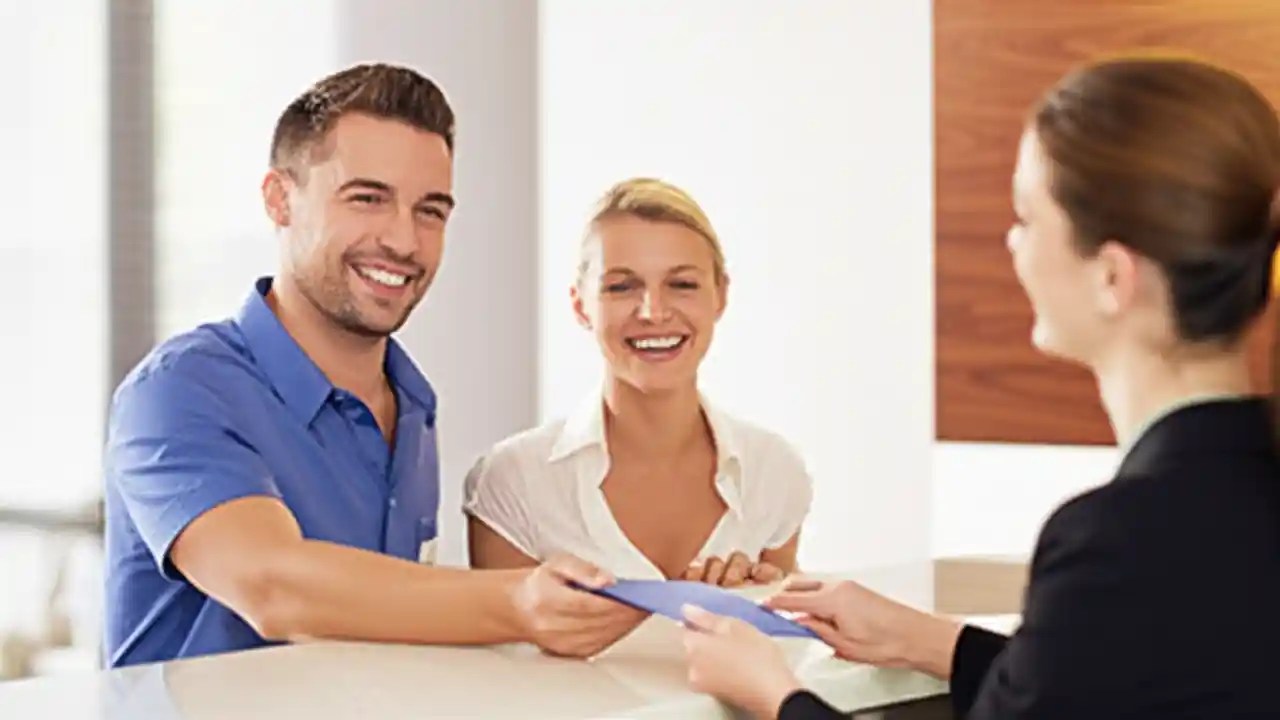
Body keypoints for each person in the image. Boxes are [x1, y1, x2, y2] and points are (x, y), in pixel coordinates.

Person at [680, 55, 1280, 719]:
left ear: (1113, 277)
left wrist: (773, 693)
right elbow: (1127, 678)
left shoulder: (1118, 542)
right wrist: (927, 639)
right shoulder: (1228, 503)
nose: (1012, 243)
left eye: (1026, 217)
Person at [103, 63, 640, 668]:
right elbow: (273, 586)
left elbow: (388, 630)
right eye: (367, 198)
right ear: (280, 200)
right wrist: (518, 601)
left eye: (431, 211)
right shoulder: (178, 390)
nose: (404, 242)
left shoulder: (412, 406)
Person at [464, 178, 813, 588]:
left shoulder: (772, 471)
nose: (653, 312)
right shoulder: (516, 479)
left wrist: (760, 602)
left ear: (720, 295)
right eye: (621, 287)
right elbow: (500, 648)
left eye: (682, 285)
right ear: (581, 306)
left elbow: (781, 644)